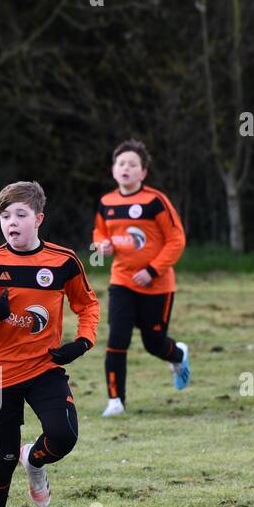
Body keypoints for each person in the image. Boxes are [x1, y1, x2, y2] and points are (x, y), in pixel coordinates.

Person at [0, 180, 100, 507]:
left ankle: (34, 460)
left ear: (38, 219)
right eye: (5, 216)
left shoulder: (63, 261)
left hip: (44, 368)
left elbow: (88, 305)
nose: (11, 222)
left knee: (64, 436)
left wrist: (82, 342)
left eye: (20, 214)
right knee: (3, 458)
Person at [91, 139, 189, 417]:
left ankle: (178, 355)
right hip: (121, 282)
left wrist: (153, 270)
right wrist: (101, 246)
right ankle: (116, 401)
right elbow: (98, 233)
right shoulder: (106, 203)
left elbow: (176, 240)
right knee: (117, 339)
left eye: (133, 164)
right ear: (113, 170)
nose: (126, 168)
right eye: (121, 163)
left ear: (143, 172)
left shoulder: (155, 201)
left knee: (154, 344)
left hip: (157, 286)